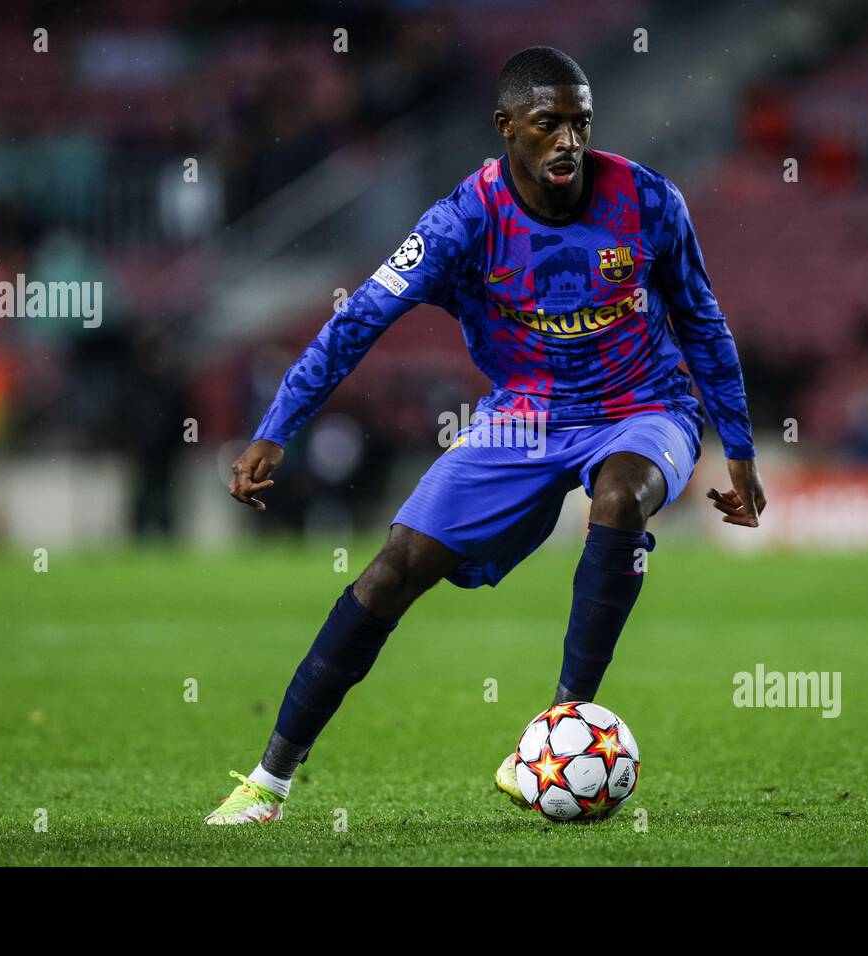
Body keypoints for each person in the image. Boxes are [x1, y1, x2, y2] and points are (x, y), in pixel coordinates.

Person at [205, 47, 765, 824]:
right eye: (548, 125)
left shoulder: (648, 200)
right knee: (393, 570)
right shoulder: (461, 222)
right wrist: (275, 430)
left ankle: (556, 731)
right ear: (507, 129)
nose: (568, 141)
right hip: (524, 415)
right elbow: (358, 321)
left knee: (620, 499)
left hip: (644, 405)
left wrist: (739, 450)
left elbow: (702, 322)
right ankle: (267, 782)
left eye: (580, 122)